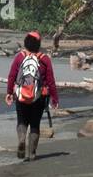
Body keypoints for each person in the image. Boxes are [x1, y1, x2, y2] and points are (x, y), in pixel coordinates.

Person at [4, 30, 59, 162]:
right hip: (39, 97)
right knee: (35, 124)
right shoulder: (45, 59)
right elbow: (51, 80)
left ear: (26, 43)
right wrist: (54, 98)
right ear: (38, 44)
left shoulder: (20, 57)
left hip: (21, 96)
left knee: (22, 121)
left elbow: (12, 76)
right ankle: (32, 153)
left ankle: (22, 140)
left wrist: (9, 93)